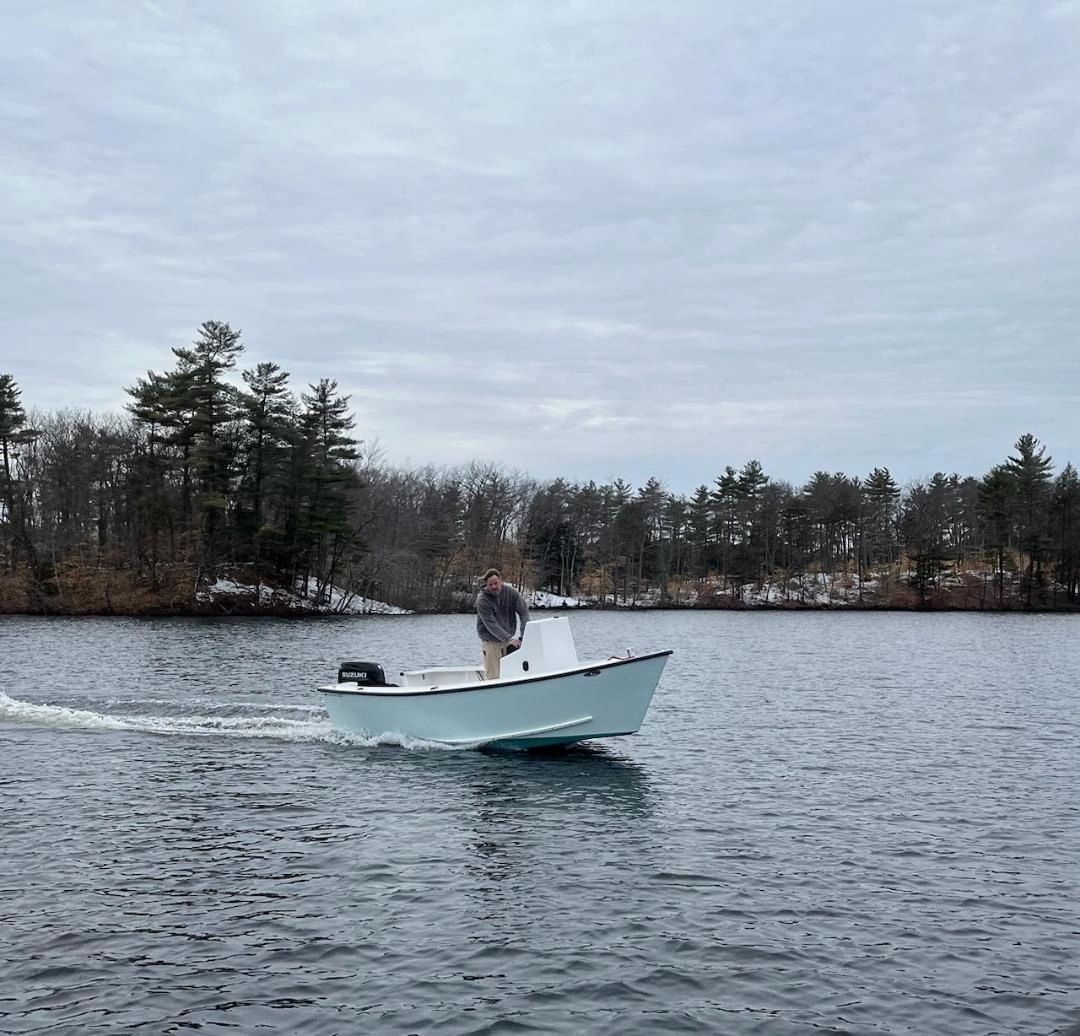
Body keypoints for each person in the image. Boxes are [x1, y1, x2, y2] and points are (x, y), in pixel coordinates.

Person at [475, 568, 529, 680]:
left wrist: (524, 636)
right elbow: (491, 625)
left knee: (513, 675)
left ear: (501, 581)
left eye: (496, 583)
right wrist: (509, 639)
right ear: (486, 584)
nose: (494, 587)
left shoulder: (512, 593)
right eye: (490, 584)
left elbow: (524, 613)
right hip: (491, 642)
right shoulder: (482, 600)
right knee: (493, 678)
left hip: (508, 641)